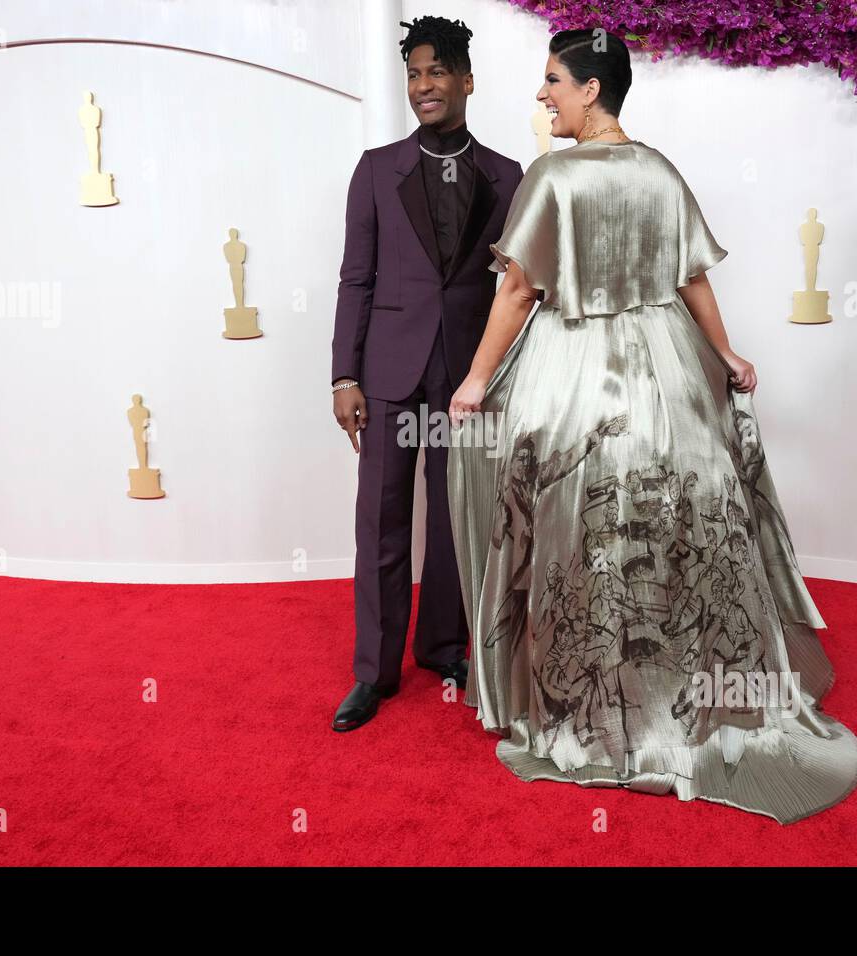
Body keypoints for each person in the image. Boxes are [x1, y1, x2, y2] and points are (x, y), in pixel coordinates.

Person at [446, 28, 857, 823]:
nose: (542, 96)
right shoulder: (660, 171)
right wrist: (725, 352)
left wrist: (472, 381)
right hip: (667, 379)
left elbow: (515, 293)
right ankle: (700, 704)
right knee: (682, 530)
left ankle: (596, 714)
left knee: (580, 534)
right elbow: (691, 277)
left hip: (573, 380)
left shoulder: (551, 176)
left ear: (591, 89)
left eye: (552, 81)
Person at [330, 16, 525, 731]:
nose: (424, 86)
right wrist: (343, 376)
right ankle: (373, 673)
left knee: (454, 520)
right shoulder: (377, 169)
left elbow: (518, 289)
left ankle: (443, 646)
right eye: (414, 74)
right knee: (380, 523)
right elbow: (355, 279)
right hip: (386, 375)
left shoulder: (509, 177)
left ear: (466, 80)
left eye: (436, 72)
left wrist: (503, 377)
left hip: (467, 378)